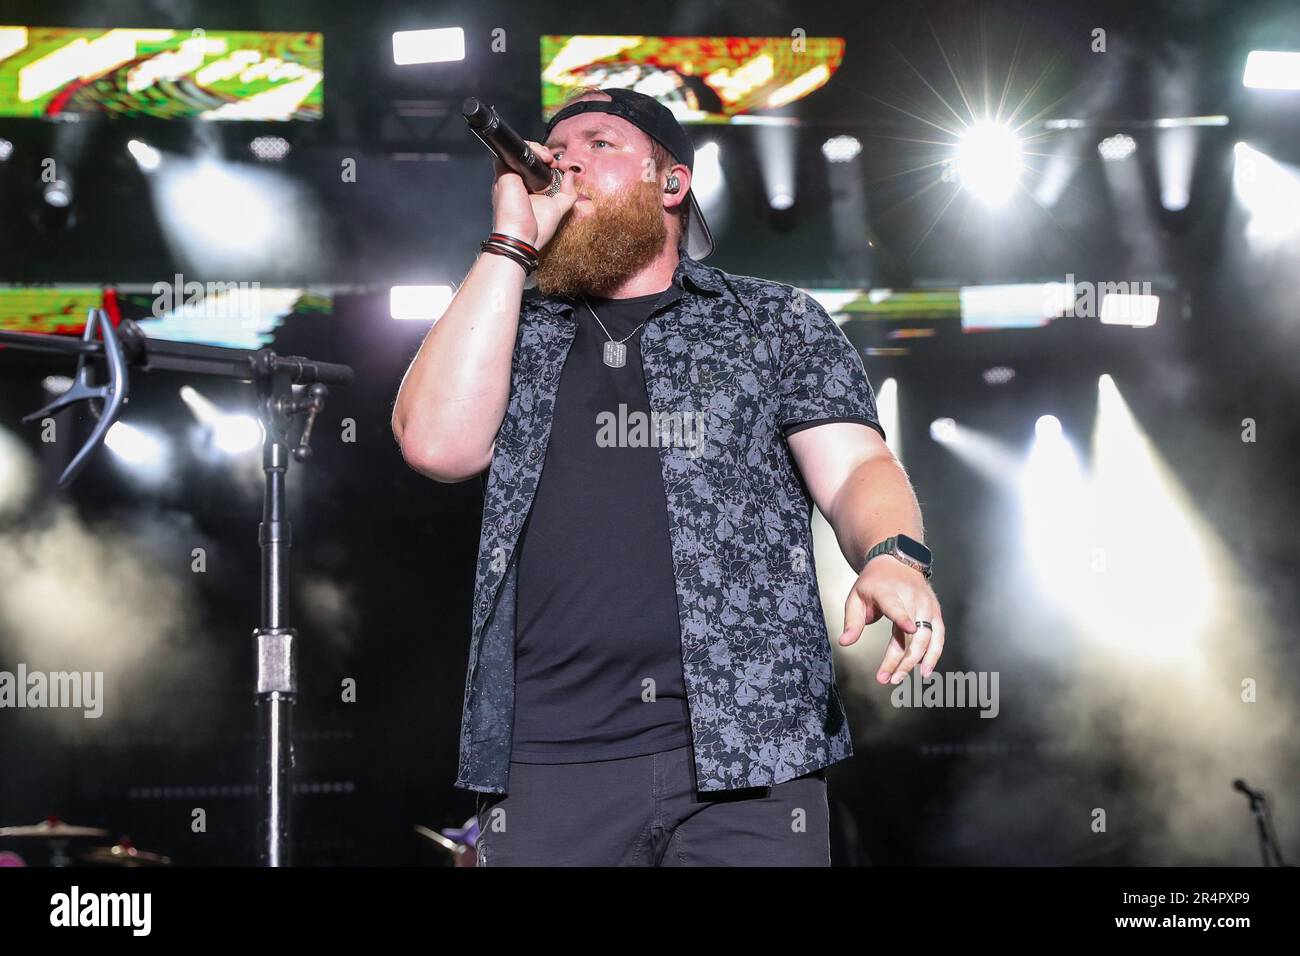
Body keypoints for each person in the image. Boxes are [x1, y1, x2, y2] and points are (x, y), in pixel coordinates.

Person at [392, 86, 945, 866]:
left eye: (598, 143)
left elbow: (857, 464)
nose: (563, 158)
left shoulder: (773, 320)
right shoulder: (511, 324)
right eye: (556, 147)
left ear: (672, 182)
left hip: (753, 758)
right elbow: (435, 446)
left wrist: (893, 554)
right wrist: (509, 247)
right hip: (549, 759)